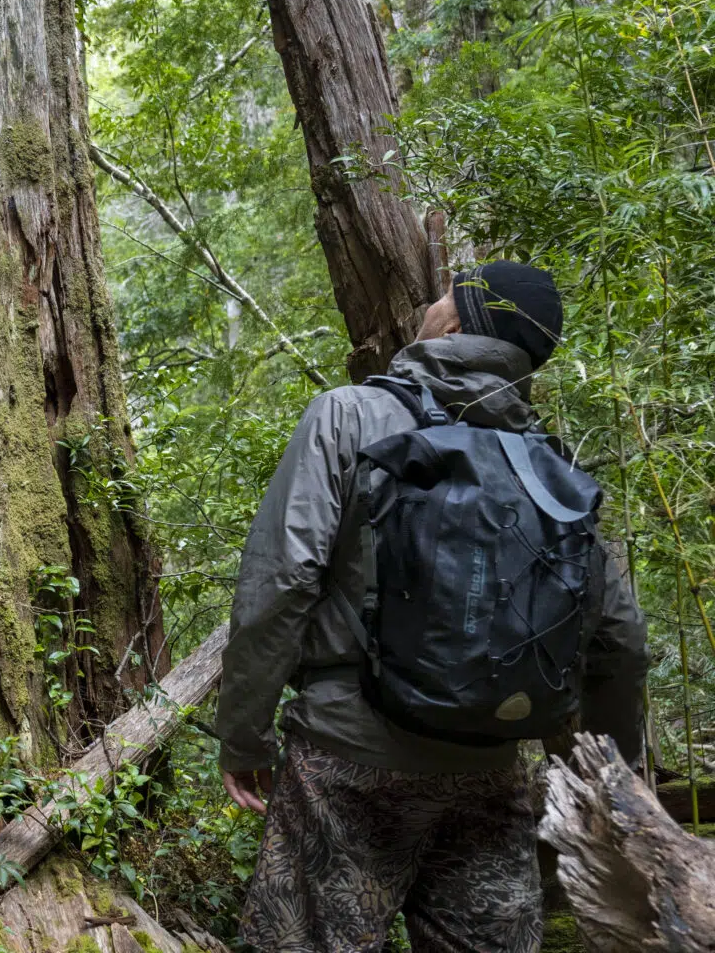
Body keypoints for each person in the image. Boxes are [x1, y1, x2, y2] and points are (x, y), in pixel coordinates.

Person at [217, 261, 648, 953]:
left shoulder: (349, 415)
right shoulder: (552, 468)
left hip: (347, 758)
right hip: (489, 766)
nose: (429, 301)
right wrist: (607, 781)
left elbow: (283, 580)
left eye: (443, 294)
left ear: (454, 322)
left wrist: (244, 733)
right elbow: (620, 641)